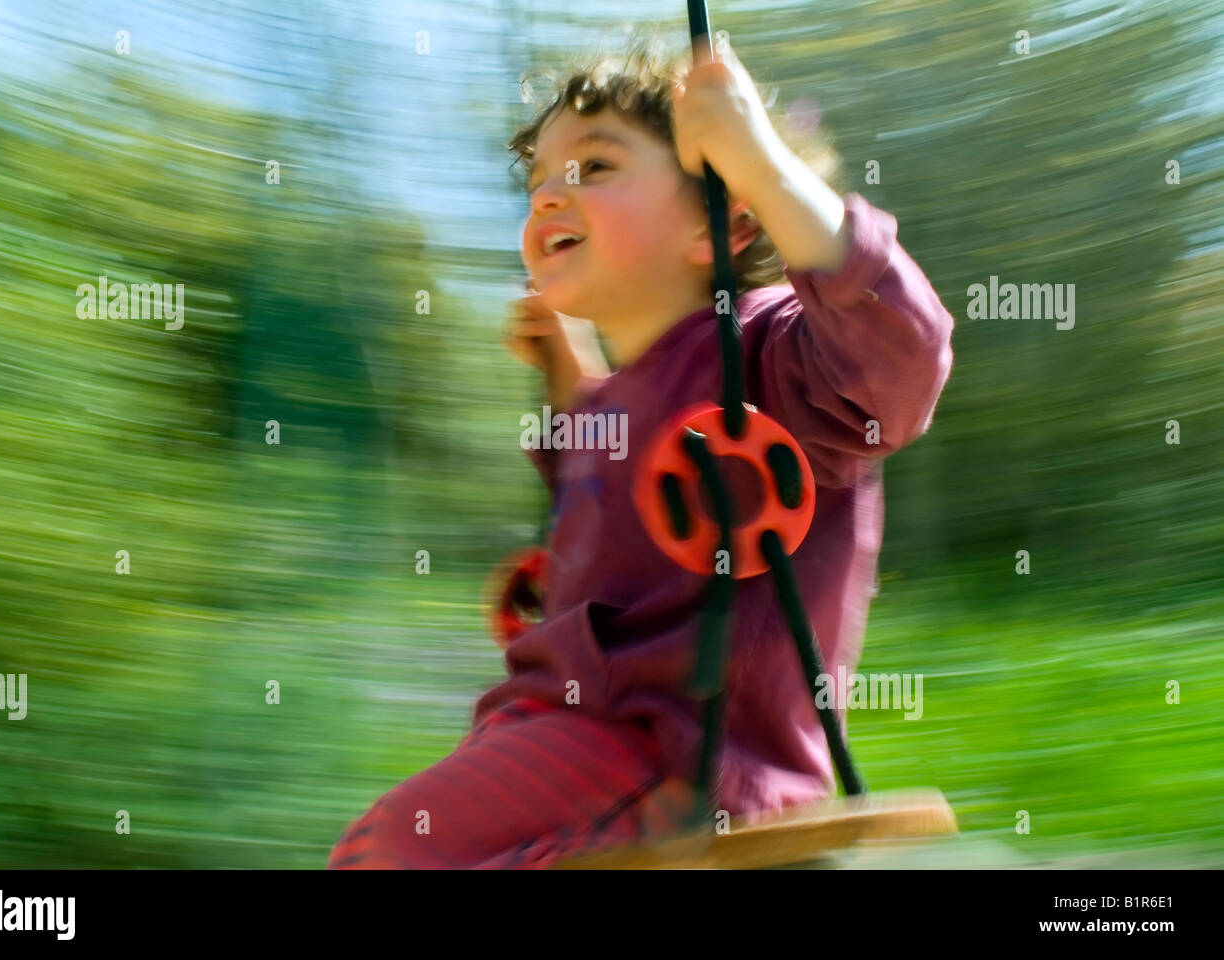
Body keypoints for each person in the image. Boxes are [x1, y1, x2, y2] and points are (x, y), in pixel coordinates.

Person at [329, 38, 954, 870]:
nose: (549, 195)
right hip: (562, 731)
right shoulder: (626, 395)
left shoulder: (767, 357)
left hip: (673, 753)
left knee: (389, 852)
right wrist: (566, 377)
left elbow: (901, 355)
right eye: (539, 180)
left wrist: (759, 165)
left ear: (719, 221)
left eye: (593, 166)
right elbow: (613, 501)